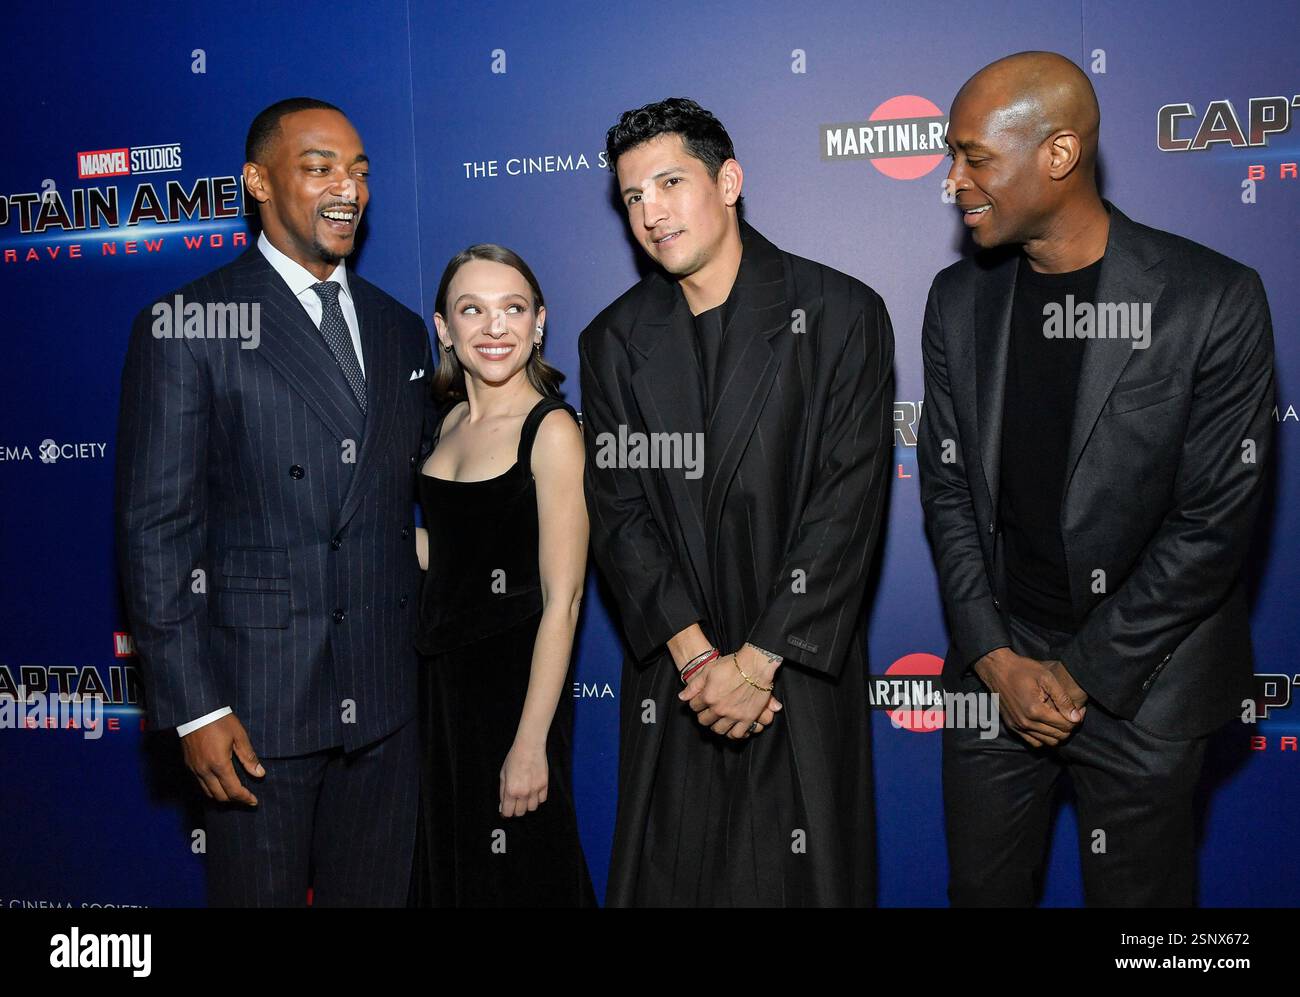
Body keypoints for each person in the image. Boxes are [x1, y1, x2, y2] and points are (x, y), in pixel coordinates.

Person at [918, 51, 1275, 906]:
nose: (952, 180)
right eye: (948, 155)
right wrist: (997, 657)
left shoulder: (1212, 299)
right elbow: (948, 491)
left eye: (974, 156)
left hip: (1146, 685)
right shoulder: (956, 300)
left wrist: (1078, 676)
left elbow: (1212, 527)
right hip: (994, 674)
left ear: (1059, 154)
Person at [116, 97, 433, 906]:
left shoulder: (400, 330)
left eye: (359, 171)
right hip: (257, 716)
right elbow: (156, 532)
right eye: (320, 166)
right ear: (258, 180)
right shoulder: (188, 324)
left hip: (387, 713)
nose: (347, 188)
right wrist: (193, 709)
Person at [579, 97, 894, 906]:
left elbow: (846, 505)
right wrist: (698, 658)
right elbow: (619, 514)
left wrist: (757, 663)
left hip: (797, 674)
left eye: (670, 182)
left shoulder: (839, 314)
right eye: (632, 198)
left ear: (729, 181)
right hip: (679, 685)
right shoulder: (612, 340)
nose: (650, 213)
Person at [409, 244, 595, 907]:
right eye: (473, 310)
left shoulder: (551, 430)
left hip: (514, 691)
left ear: (538, 322)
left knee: (522, 874)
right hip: (441, 689)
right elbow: (453, 552)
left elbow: (563, 601)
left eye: (513, 309)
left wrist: (529, 741)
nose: (495, 328)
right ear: (444, 328)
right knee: (454, 869)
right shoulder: (447, 421)